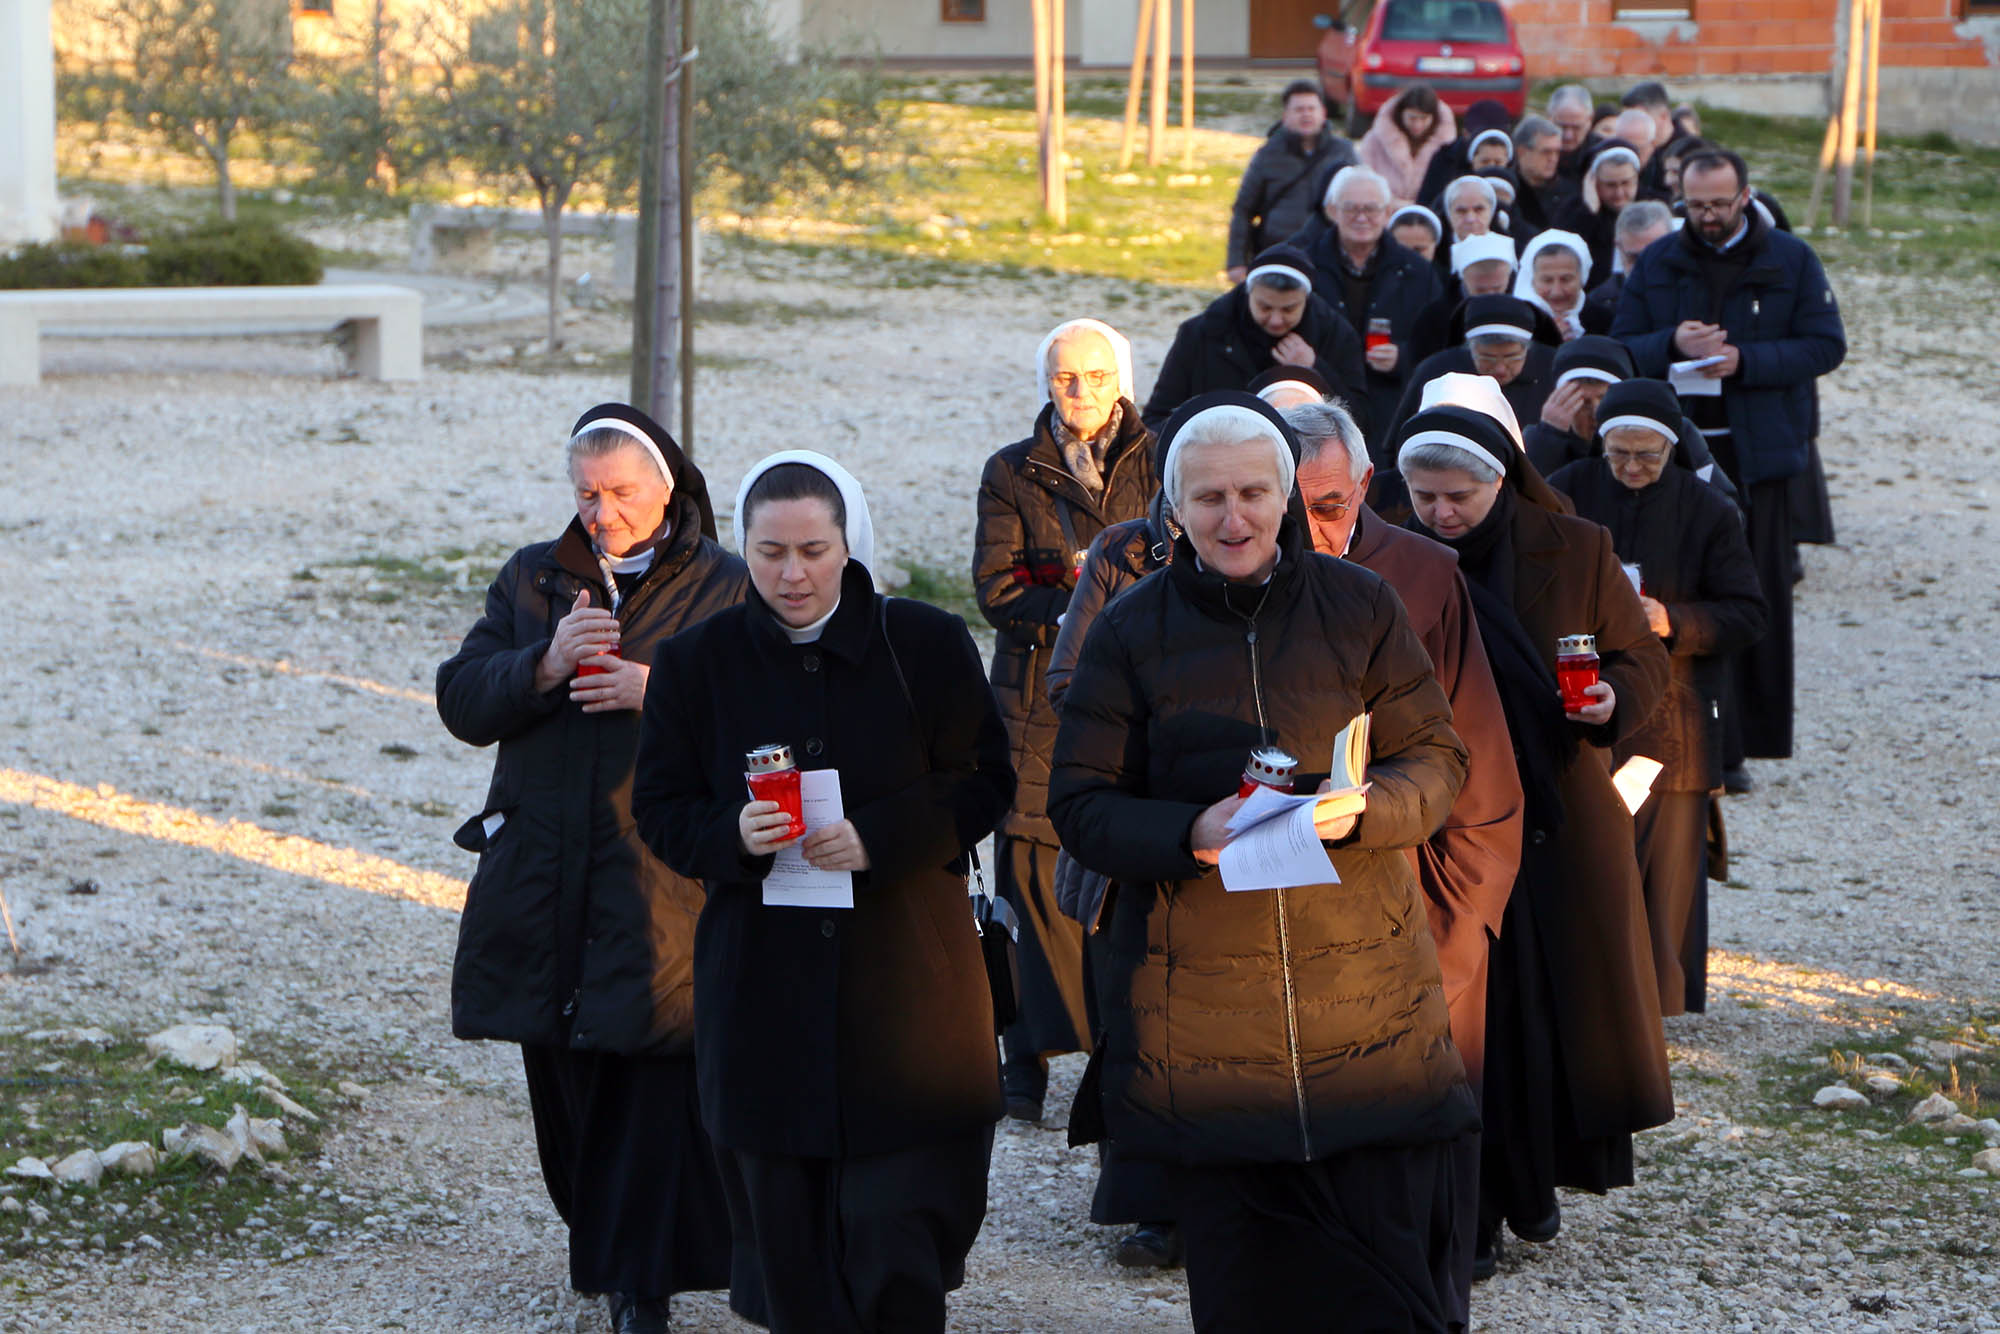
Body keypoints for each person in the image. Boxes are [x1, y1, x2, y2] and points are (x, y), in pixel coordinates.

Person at [1049, 390, 1478, 1333]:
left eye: (1252, 492)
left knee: (1387, 1292)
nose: (1231, 516)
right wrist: (1186, 833)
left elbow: (1439, 760)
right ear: (1172, 510)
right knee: (1250, 1298)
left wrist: (1370, 811)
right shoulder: (1128, 632)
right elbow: (1078, 807)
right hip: (1208, 1021)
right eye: (1207, 498)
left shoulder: (1361, 603)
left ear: (1288, 497)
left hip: (1364, 1002)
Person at [632, 452, 1015, 1334]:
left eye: (813, 549)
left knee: (897, 1247)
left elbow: (985, 780)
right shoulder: (698, 662)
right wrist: (730, 834)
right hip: (765, 997)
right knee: (791, 1263)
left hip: (910, 989)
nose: (792, 574)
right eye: (770, 552)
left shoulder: (922, 643)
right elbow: (660, 808)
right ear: (744, 548)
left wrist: (880, 836)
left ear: (851, 545)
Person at [438, 403, 746, 1334]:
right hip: (540, 872)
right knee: (563, 1077)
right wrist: (543, 663)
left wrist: (659, 691)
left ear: (667, 489)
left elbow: (771, 718)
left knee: (648, 1080)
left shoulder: (725, 585)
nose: (602, 512)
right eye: (586, 493)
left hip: (659, 881)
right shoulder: (535, 576)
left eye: (619, 492)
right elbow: (461, 698)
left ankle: (639, 1284)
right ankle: (605, 1245)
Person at [1394, 374, 1673, 1278]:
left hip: (1555, 816)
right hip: (1448, 825)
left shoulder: (1579, 547)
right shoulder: (1389, 563)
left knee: (1545, 1019)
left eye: (1459, 497)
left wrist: (1607, 705)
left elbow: (1641, 662)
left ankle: (1536, 1181)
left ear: (1503, 480)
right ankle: (1466, 1213)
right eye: (1423, 497)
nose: (1439, 513)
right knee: (1466, 1025)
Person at [1285, 398, 1524, 1330]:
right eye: (1294, 507)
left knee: (1426, 1111)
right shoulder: (1240, 583)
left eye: (1333, 505)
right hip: (1294, 898)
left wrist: (1468, 907)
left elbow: (1475, 755)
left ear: (1366, 488)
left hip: (1420, 884)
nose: (1317, 531)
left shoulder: (1424, 575)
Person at [973, 319, 1160, 1123]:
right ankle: (1025, 1057)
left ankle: (1115, 1049)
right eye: (1063, 378)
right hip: (1038, 693)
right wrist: (1086, 604)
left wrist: (1094, 600)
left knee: (1121, 864)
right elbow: (998, 590)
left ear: (1122, 378)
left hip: (1138, 686)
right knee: (1026, 871)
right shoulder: (1012, 471)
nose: (1078, 391)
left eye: (1092, 375)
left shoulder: (1160, 457)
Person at [1613, 148, 1846, 769]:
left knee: (1754, 595)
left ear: (1746, 197)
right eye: (1696, 206)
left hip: (1758, 452)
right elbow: (1619, 345)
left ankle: (1749, 744)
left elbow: (1826, 345)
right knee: (1680, 594)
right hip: (1680, 457)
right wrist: (1671, 344)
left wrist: (1747, 360)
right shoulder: (1660, 259)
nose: (1708, 217)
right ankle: (1683, 741)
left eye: (1720, 204)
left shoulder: (1791, 260)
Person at [1546, 380, 1767, 1017]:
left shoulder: (1708, 510)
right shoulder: (1571, 490)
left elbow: (1748, 613)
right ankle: (1588, 999)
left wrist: (1672, 619)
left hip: (1675, 715)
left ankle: (1660, 1004)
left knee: (1666, 874)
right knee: (1584, 858)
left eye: (1647, 455)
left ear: (1672, 447)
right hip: (1580, 700)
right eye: (1619, 454)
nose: (1632, 468)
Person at [1295, 165, 1445, 454]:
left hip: (1392, 408)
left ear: (1387, 213)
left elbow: (1437, 343)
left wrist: (1402, 356)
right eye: (1351, 209)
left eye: (1371, 209)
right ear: (1332, 211)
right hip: (1320, 403)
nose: (1361, 217)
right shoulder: (1306, 265)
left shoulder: (1418, 271)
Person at [1143, 244, 1369, 433]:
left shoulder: (1337, 334)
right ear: (1248, 292)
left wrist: (1314, 369)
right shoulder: (1200, 333)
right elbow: (1155, 419)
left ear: (1306, 299)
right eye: (1264, 307)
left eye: (1289, 309)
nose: (1275, 320)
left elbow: (1358, 423)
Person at [1225, 80, 1357, 283]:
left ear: (1323, 113)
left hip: (1333, 255)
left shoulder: (1343, 152)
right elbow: (1243, 210)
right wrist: (1236, 262)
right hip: (1278, 252)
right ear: (1285, 116)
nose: (1306, 114)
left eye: (1311, 108)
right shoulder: (1268, 155)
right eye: (1299, 109)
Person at [1392, 293, 1558, 443]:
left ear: (1528, 350)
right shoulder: (1435, 370)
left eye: (1511, 357)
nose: (1500, 369)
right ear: (1470, 349)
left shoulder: (1552, 369)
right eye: (1487, 358)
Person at [1522, 335, 1634, 476]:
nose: (1596, 412)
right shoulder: (1540, 440)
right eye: (1583, 403)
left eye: (1605, 400)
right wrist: (1548, 434)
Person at [1405, 232, 1519, 370]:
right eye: (1480, 290)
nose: (1490, 296)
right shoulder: (1435, 316)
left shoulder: (1524, 310)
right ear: (1463, 279)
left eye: (1497, 288)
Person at [1553, 141, 1644, 282]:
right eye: (1610, 185)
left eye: (1625, 183)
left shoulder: (1651, 205)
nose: (1619, 193)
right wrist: (1589, 212)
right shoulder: (1572, 211)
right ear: (1593, 182)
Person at [1581, 199, 1674, 335]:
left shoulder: (1696, 291)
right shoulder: (1597, 306)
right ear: (1618, 246)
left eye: (1655, 255)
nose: (1645, 267)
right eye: (1634, 258)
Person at [1358, 83, 1457, 205]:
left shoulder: (1448, 149)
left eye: (1424, 118)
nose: (1418, 125)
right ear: (1400, 113)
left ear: (1434, 117)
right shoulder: (1373, 141)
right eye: (1412, 118)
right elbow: (1363, 182)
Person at [1513, 229, 1592, 341]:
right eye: (1547, 280)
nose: (1556, 292)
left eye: (1566, 279)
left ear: (1582, 278)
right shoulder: (1516, 323)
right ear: (1532, 280)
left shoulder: (1600, 318)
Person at [1511, 115, 1576, 230]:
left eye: (1556, 152)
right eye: (1546, 152)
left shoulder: (1570, 194)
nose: (1553, 158)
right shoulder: (1507, 191)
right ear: (1522, 152)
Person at [1547, 84, 1598, 178]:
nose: (1568, 136)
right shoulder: (1534, 151)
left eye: (1576, 128)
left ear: (1590, 120)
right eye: (1561, 127)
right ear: (1549, 118)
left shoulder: (1601, 153)